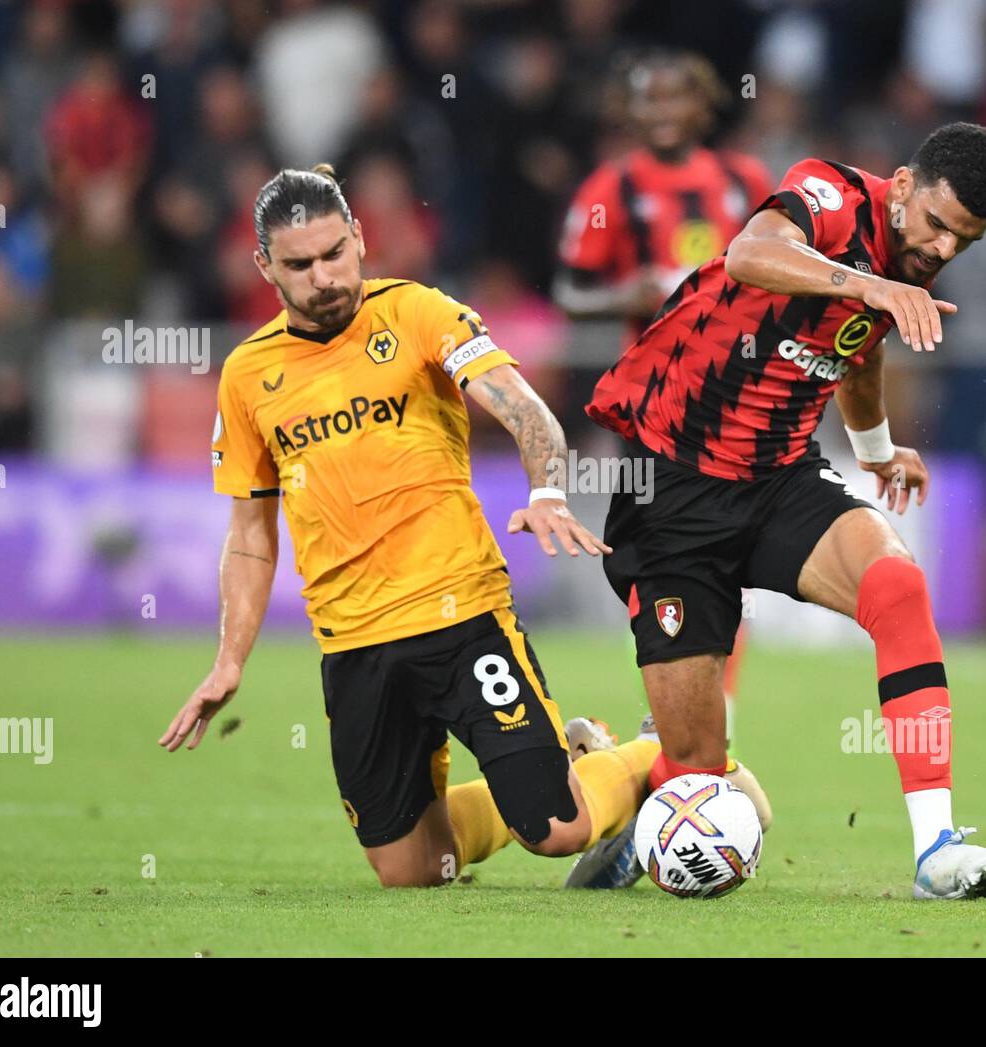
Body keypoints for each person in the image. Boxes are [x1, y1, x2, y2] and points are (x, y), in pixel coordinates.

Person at [158, 164, 660, 888]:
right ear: (264, 265)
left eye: (335, 253)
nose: (323, 275)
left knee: (557, 830)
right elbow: (249, 533)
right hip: (353, 645)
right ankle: (575, 758)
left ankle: (652, 759)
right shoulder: (248, 375)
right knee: (415, 872)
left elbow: (524, 409)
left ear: (361, 237)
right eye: (299, 264)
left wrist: (548, 491)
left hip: (463, 618)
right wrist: (229, 660)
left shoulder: (418, 313)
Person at [586, 123, 986, 899]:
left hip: (780, 477)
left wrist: (880, 452)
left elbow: (857, 351)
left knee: (895, 586)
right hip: (674, 489)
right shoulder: (832, 197)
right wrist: (871, 285)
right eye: (937, 224)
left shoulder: (902, 272)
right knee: (695, 770)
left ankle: (937, 850)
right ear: (902, 185)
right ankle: (618, 782)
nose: (945, 249)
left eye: (967, 239)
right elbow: (751, 253)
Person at [555, 48, 773, 760]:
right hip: (653, 407)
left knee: (729, 554)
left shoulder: (746, 181)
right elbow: (568, 290)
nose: (661, 111)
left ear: (702, 103)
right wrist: (628, 294)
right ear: (631, 110)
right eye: (647, 99)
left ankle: (718, 706)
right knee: (657, 561)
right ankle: (671, 709)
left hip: (742, 399)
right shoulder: (611, 189)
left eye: (674, 97)